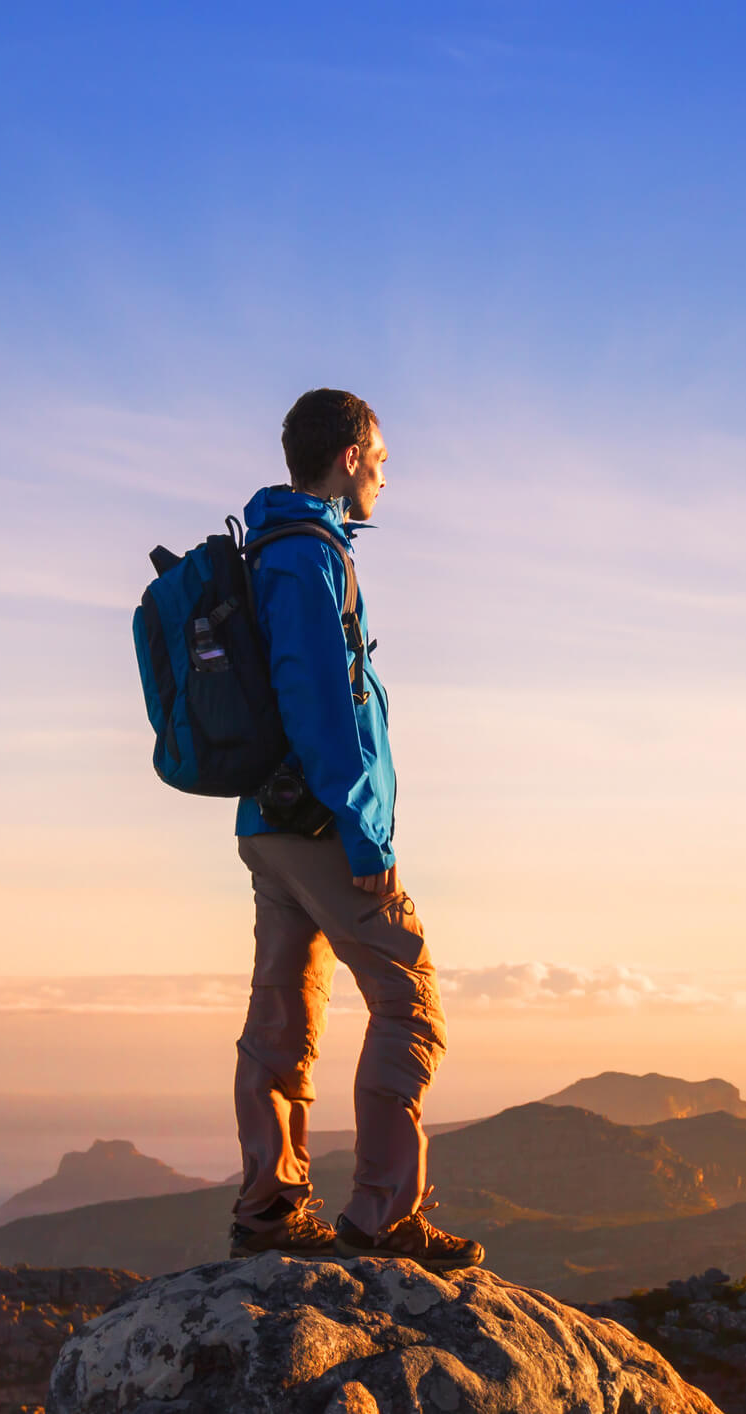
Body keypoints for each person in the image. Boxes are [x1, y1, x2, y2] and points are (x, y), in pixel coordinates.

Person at [225, 387, 483, 1272]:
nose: (384, 474)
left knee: (283, 1011)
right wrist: (366, 836)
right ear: (348, 457)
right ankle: (380, 1215)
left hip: (269, 820)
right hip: (324, 824)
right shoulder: (308, 555)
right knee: (409, 1006)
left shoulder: (270, 546)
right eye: (380, 458)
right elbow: (320, 702)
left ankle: (269, 1206)